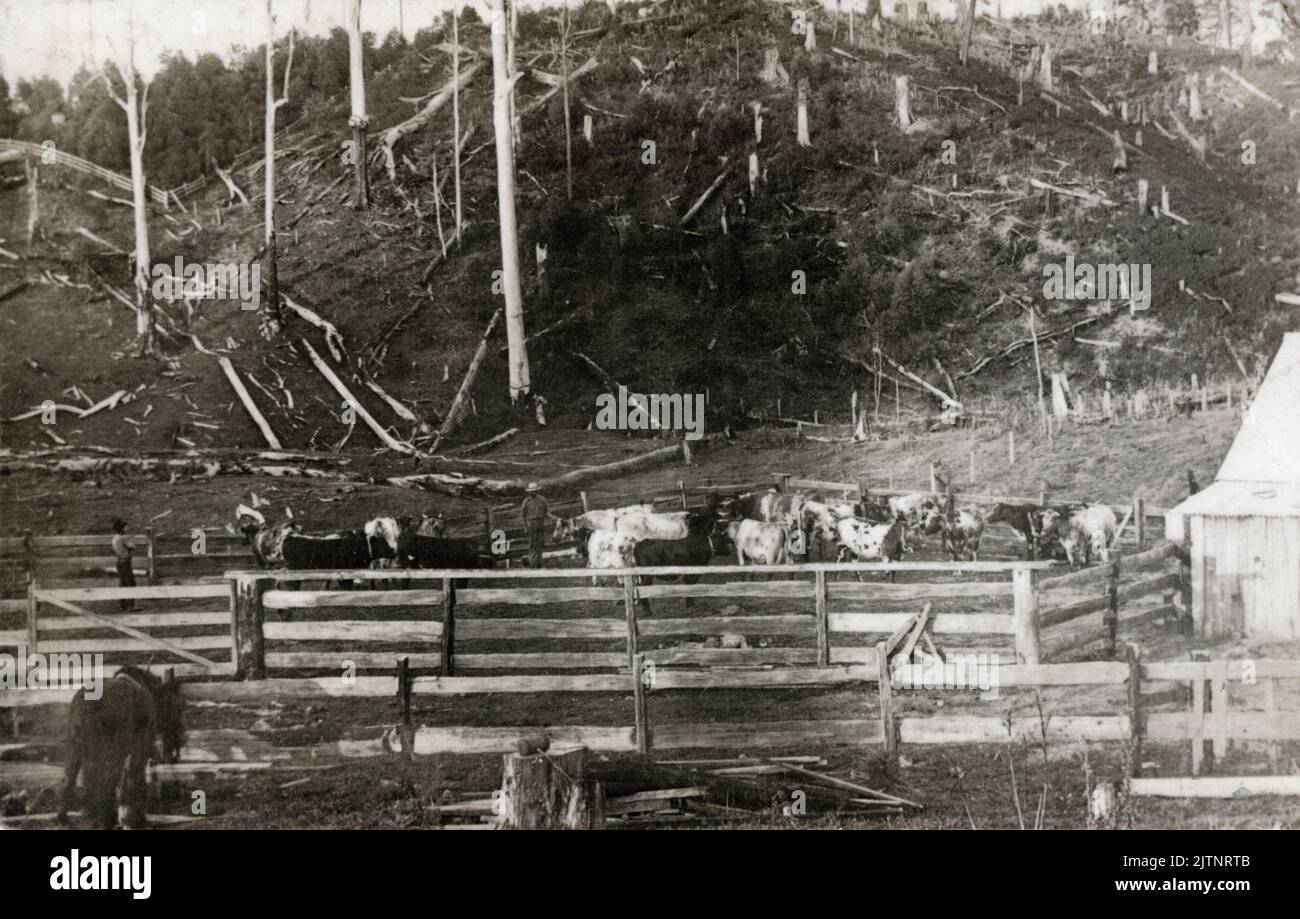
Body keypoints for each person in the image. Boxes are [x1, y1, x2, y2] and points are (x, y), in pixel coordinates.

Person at [110, 519, 139, 611]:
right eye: (126, 526)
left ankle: (123, 604)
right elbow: (133, 547)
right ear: (121, 528)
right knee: (131, 583)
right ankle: (131, 605)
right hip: (125, 562)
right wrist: (132, 546)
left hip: (120, 561)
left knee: (123, 583)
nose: (128, 528)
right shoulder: (121, 538)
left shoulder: (115, 538)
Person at [521, 483, 549, 568]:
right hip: (531, 523)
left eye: (534, 491)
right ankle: (533, 563)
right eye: (530, 491)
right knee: (532, 544)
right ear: (528, 492)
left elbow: (545, 511)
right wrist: (525, 526)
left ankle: (539, 563)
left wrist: (543, 521)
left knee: (540, 543)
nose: (532, 492)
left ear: (536, 491)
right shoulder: (526, 501)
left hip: (540, 522)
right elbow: (523, 515)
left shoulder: (542, 499)